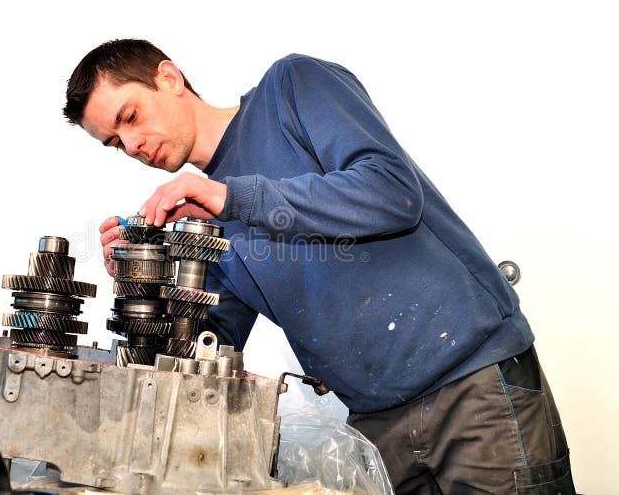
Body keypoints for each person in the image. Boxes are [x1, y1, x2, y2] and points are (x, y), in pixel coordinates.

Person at [63, 39, 575, 494]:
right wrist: (140, 284)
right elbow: (206, 350)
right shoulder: (207, 221)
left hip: (474, 388)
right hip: (374, 427)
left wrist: (232, 197)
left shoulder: (292, 87)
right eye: (113, 142)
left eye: (129, 117)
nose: (131, 146)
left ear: (169, 78)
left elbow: (393, 193)